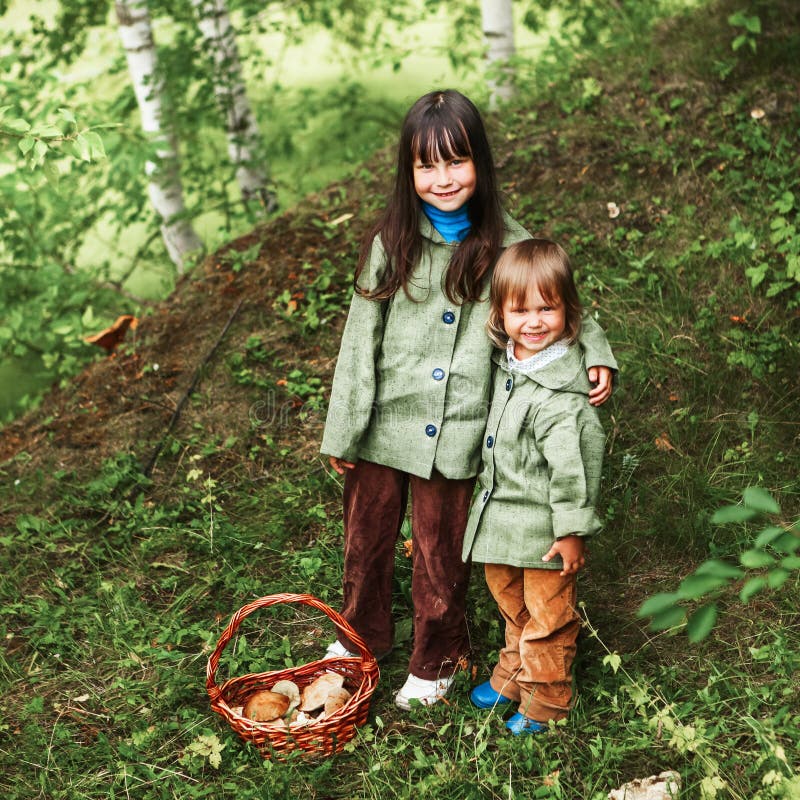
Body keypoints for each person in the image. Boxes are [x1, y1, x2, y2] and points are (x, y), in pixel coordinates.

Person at [320, 90, 617, 710]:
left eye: (456, 161)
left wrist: (596, 351)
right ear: (408, 172)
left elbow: (559, 300)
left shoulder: (509, 244)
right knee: (366, 541)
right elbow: (358, 339)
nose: (443, 178)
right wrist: (344, 429)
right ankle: (358, 637)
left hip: (457, 430)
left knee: (439, 550)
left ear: (479, 161)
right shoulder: (392, 241)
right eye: (426, 165)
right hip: (382, 423)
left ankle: (436, 655)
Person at [462, 238, 607, 734]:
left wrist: (571, 531)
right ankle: (513, 673)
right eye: (520, 310)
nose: (534, 321)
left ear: (569, 312)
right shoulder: (508, 363)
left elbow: (572, 470)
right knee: (511, 603)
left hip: (545, 530)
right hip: (503, 518)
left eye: (547, 308)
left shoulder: (561, 394)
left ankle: (546, 698)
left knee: (548, 615)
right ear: (500, 314)